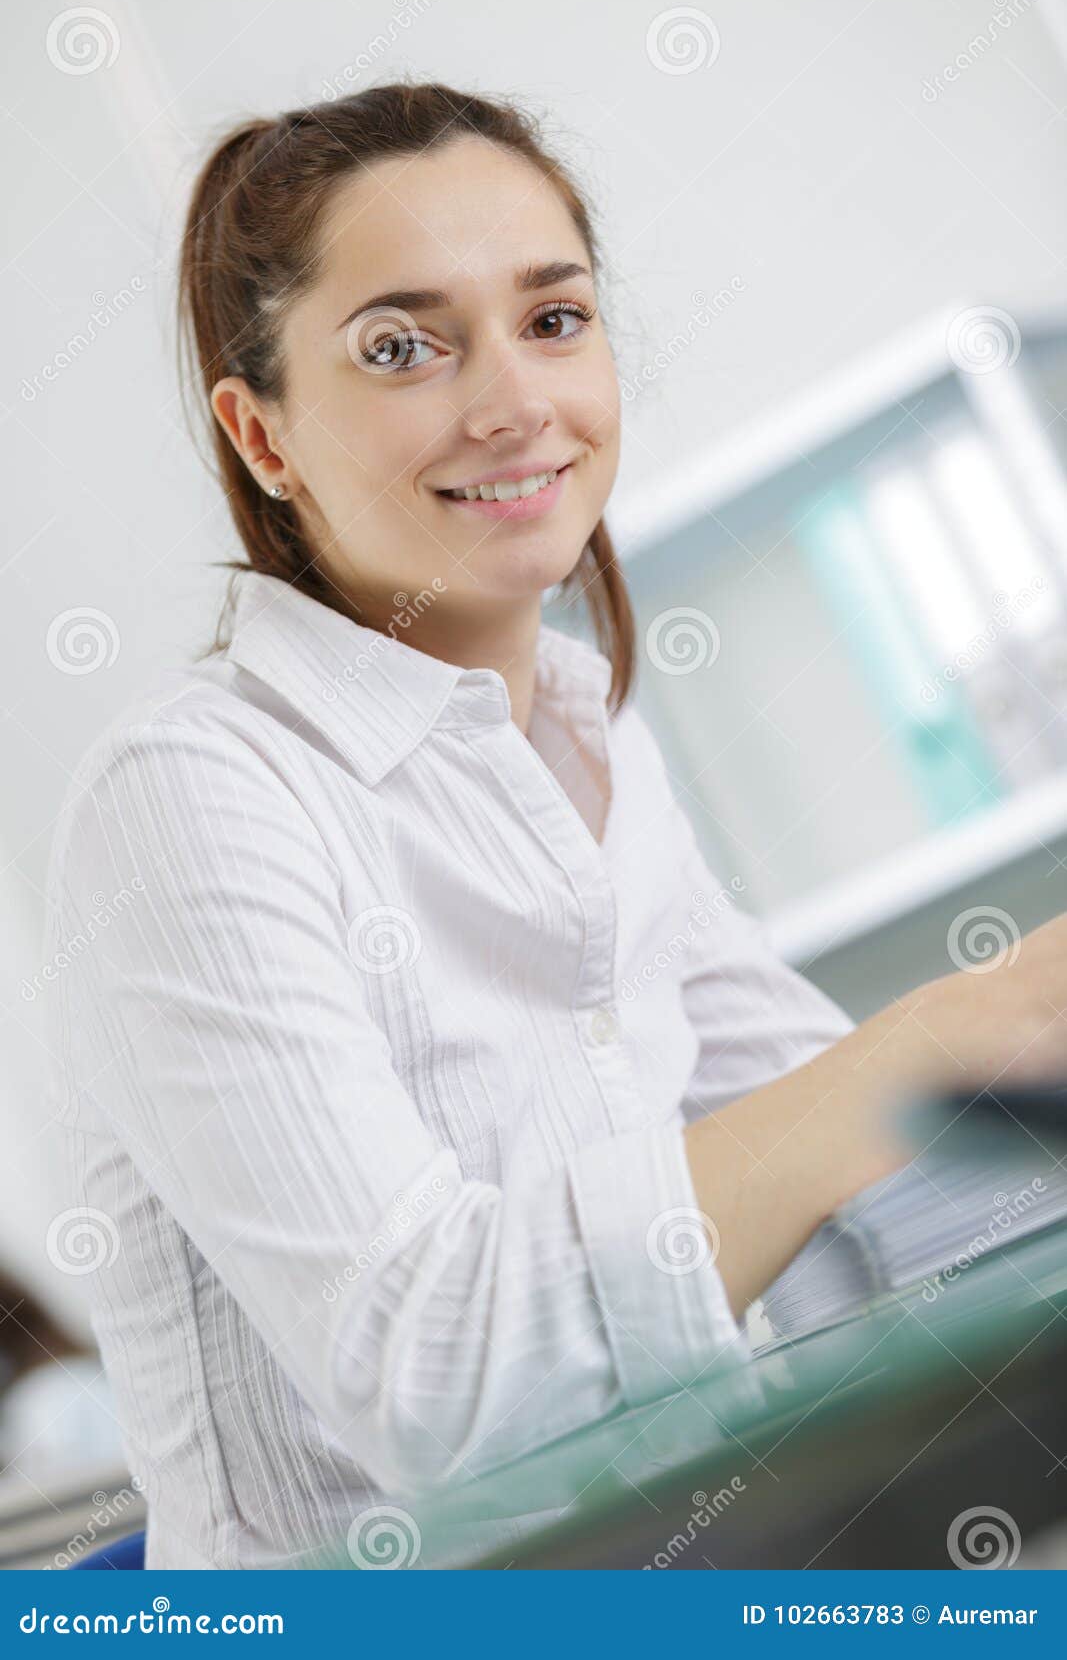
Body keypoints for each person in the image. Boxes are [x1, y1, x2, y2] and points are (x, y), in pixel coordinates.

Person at [42, 80, 1067, 1571]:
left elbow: (885, 1179)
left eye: (554, 318)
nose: (516, 401)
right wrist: (956, 1024)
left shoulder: (593, 746)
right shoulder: (191, 799)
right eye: (403, 345)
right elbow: (444, 1379)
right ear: (263, 437)